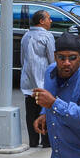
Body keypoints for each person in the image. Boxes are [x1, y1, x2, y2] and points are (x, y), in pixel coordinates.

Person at [21, 9, 56, 149]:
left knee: (31, 113)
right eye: (48, 18)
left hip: (28, 82)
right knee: (45, 111)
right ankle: (46, 141)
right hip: (43, 82)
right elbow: (52, 60)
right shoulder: (47, 36)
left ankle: (33, 141)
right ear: (41, 21)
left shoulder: (26, 36)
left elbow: (22, 60)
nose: (51, 21)